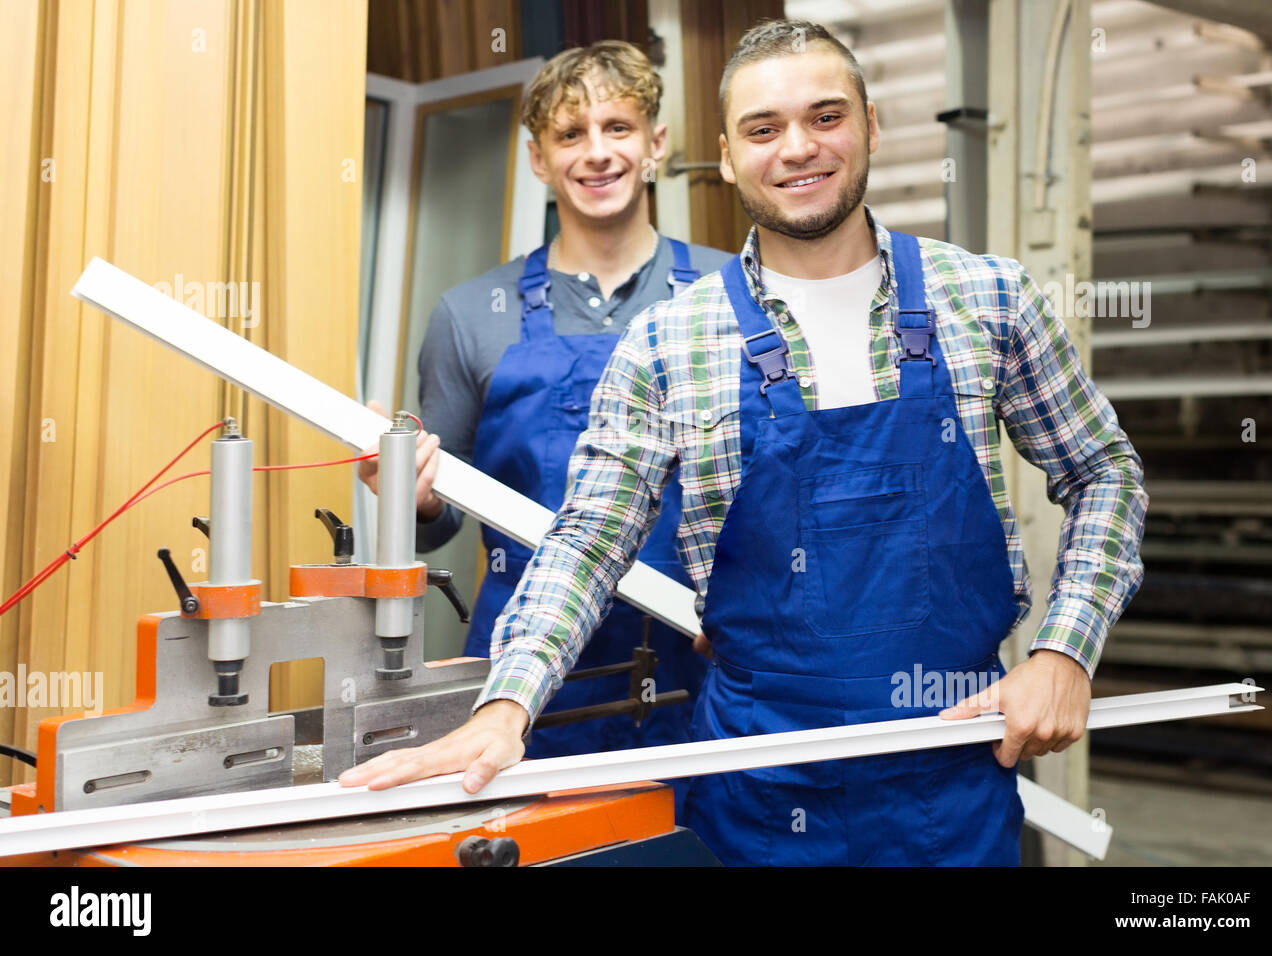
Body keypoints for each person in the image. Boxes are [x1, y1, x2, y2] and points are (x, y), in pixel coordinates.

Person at [343, 18, 1148, 867]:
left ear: (872, 126)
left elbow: (1104, 472)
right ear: (726, 157)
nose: (797, 148)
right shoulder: (668, 343)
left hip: (950, 769)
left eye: (826, 117)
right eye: (764, 129)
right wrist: (507, 707)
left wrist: (1066, 652)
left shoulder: (985, 299)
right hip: (756, 781)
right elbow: (586, 543)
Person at [357, 41, 729, 767]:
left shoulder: (728, 296)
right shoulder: (471, 315)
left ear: (656, 144)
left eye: (617, 128)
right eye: (570, 134)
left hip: (699, 659)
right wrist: (417, 495)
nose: (596, 153)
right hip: (524, 675)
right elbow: (439, 527)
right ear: (538, 159)